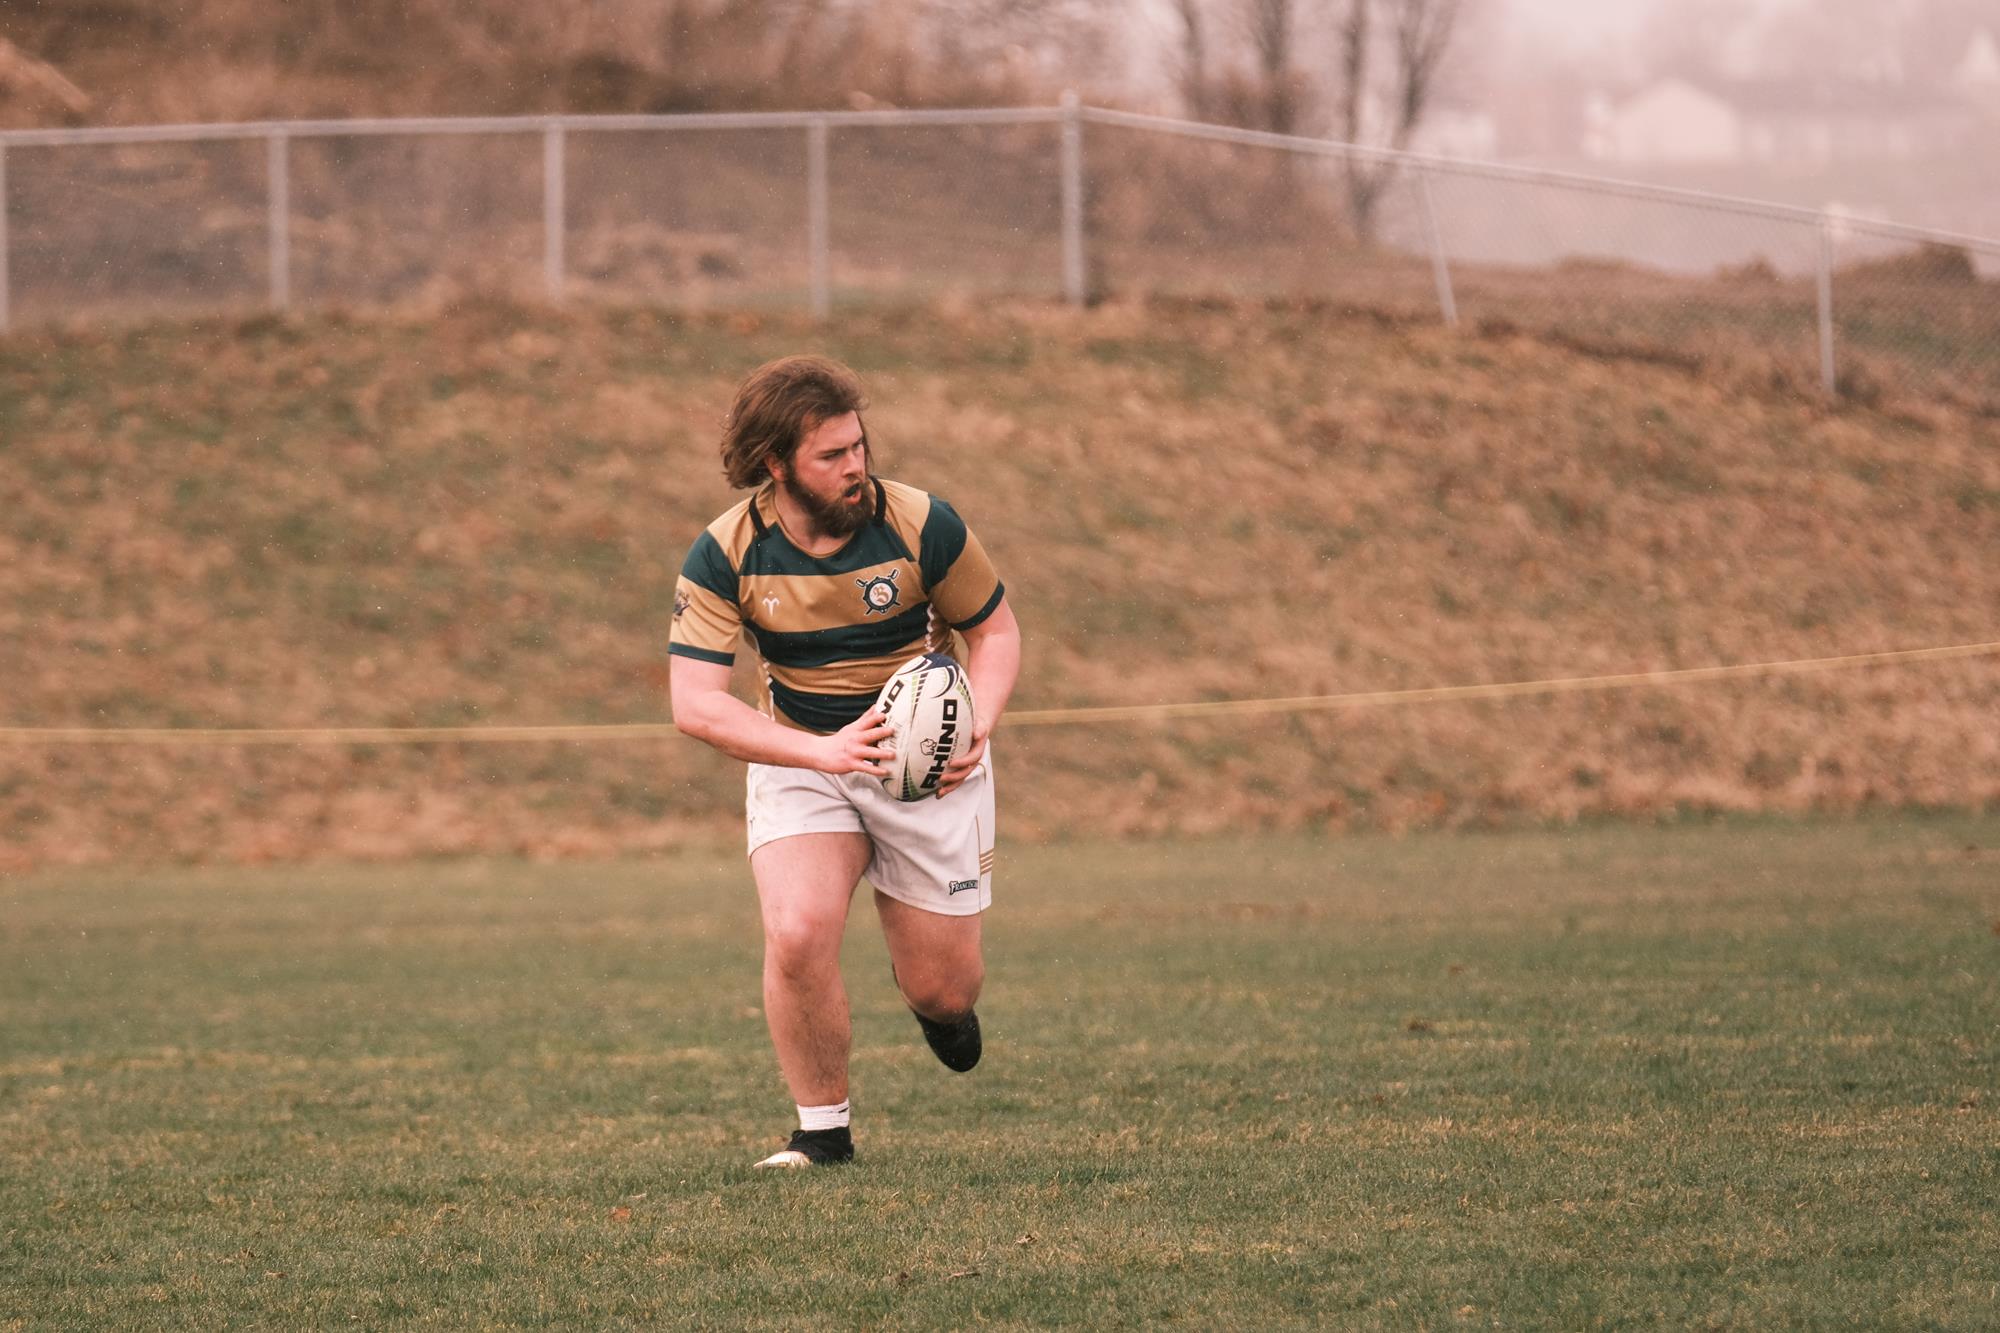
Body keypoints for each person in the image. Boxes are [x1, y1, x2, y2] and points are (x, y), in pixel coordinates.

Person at [667, 355, 1021, 1168]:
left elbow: (995, 631)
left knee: (945, 987)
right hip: (803, 751)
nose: (856, 465)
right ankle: (821, 1131)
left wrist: (980, 724)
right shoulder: (726, 553)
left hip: (928, 766)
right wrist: (819, 751)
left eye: (858, 445)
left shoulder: (922, 523)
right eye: (831, 455)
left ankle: (937, 1004)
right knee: (795, 931)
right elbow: (696, 703)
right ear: (775, 463)